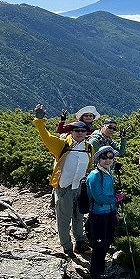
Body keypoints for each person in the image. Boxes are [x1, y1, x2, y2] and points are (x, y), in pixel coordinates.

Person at [33, 104, 93, 255]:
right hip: (64, 187)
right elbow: (46, 137)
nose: (80, 133)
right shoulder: (62, 145)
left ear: (87, 133)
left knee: (79, 217)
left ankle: (80, 243)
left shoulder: (89, 148)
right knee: (64, 219)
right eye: (77, 130)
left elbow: (90, 167)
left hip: (79, 188)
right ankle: (67, 247)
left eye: (83, 131)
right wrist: (39, 121)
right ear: (71, 131)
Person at [86, 145, 124, 279]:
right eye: (104, 157)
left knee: (106, 241)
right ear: (98, 159)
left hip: (109, 212)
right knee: (100, 245)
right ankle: (95, 275)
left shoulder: (107, 172)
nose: (108, 160)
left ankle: (100, 272)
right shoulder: (95, 175)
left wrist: (115, 199)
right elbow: (99, 198)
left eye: (110, 157)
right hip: (99, 214)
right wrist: (116, 199)